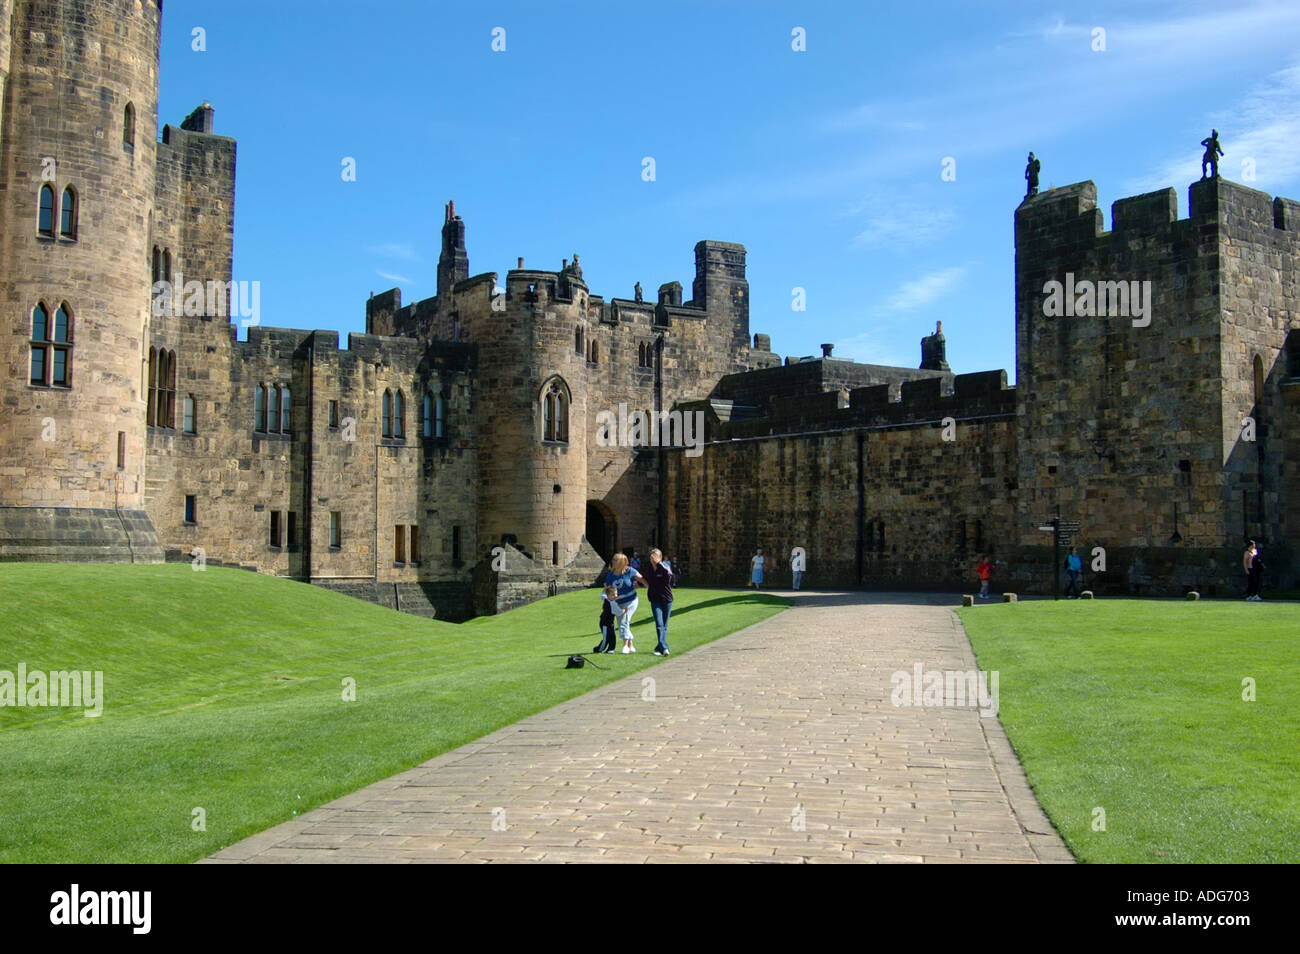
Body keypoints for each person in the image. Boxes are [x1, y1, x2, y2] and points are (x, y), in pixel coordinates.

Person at [604, 552, 645, 652]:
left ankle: (625, 646)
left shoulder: (630, 571)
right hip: (618, 603)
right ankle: (631, 646)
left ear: (621, 562)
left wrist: (645, 587)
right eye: (613, 560)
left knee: (624, 621)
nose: (613, 561)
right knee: (623, 622)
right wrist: (606, 598)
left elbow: (642, 579)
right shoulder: (610, 575)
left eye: (615, 560)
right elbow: (607, 589)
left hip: (631, 601)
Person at [643, 548, 676, 656]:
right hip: (655, 599)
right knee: (659, 624)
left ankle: (659, 647)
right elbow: (645, 579)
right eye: (651, 556)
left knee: (664, 625)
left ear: (660, 557)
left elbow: (669, 576)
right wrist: (638, 584)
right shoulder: (649, 568)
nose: (653, 558)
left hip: (666, 599)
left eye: (655, 555)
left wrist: (659, 564)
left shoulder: (665, 567)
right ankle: (664, 648)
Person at [593, 584, 619, 653]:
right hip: (605, 623)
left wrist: (605, 588)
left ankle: (611, 649)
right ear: (608, 596)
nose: (615, 596)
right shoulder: (612, 603)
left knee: (612, 636)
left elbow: (602, 595)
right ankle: (599, 649)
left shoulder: (608, 599)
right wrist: (624, 610)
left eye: (616, 594)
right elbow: (618, 612)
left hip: (610, 622)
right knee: (606, 637)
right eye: (613, 595)